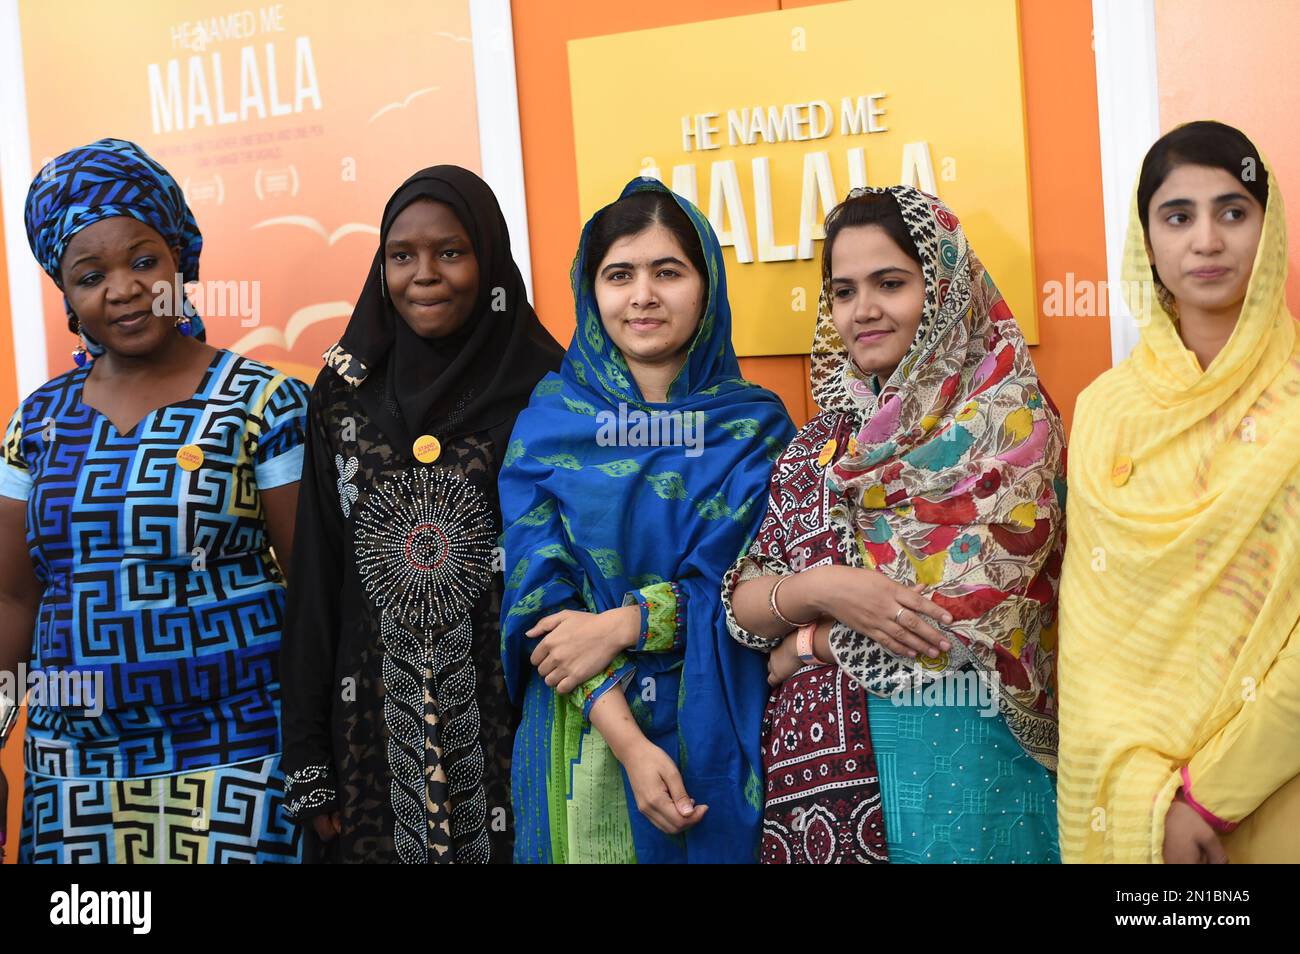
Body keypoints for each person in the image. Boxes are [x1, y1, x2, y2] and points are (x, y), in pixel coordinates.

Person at [725, 185, 1064, 863]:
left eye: (890, 283)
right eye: (844, 291)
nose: (864, 310)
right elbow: (742, 605)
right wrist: (821, 588)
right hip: (817, 797)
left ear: (943, 289)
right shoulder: (816, 446)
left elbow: (948, 628)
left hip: (967, 775)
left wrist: (809, 644)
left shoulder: (1009, 427)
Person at [0, 138, 307, 862]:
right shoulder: (35, 422)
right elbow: (13, 602)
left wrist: (325, 760)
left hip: (244, 756)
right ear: (66, 296)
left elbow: (317, 594)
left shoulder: (264, 402)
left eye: (144, 261)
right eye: (90, 275)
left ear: (180, 261)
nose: (124, 289)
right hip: (74, 777)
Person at [499, 177, 794, 863]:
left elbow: (753, 588)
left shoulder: (755, 427)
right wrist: (629, 745)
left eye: (669, 272)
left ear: (708, 285)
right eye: (619, 274)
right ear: (590, 290)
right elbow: (539, 602)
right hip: (583, 733)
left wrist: (623, 624)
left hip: (724, 728)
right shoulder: (549, 424)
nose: (642, 297)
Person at [279, 165, 563, 863]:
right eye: (401, 256)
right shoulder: (343, 394)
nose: (424, 274)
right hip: (370, 732)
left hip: (517, 716)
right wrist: (309, 759)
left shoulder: (547, 388)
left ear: (491, 259)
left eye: (451, 253)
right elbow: (317, 579)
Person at [1058, 121, 1300, 863]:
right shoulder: (1105, 410)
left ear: (1270, 230)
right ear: (1146, 242)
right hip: (1135, 800)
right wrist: (1150, 798)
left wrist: (1211, 794)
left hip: (1276, 786)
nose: (1207, 240)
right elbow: (1090, 637)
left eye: (1233, 211)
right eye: (1178, 215)